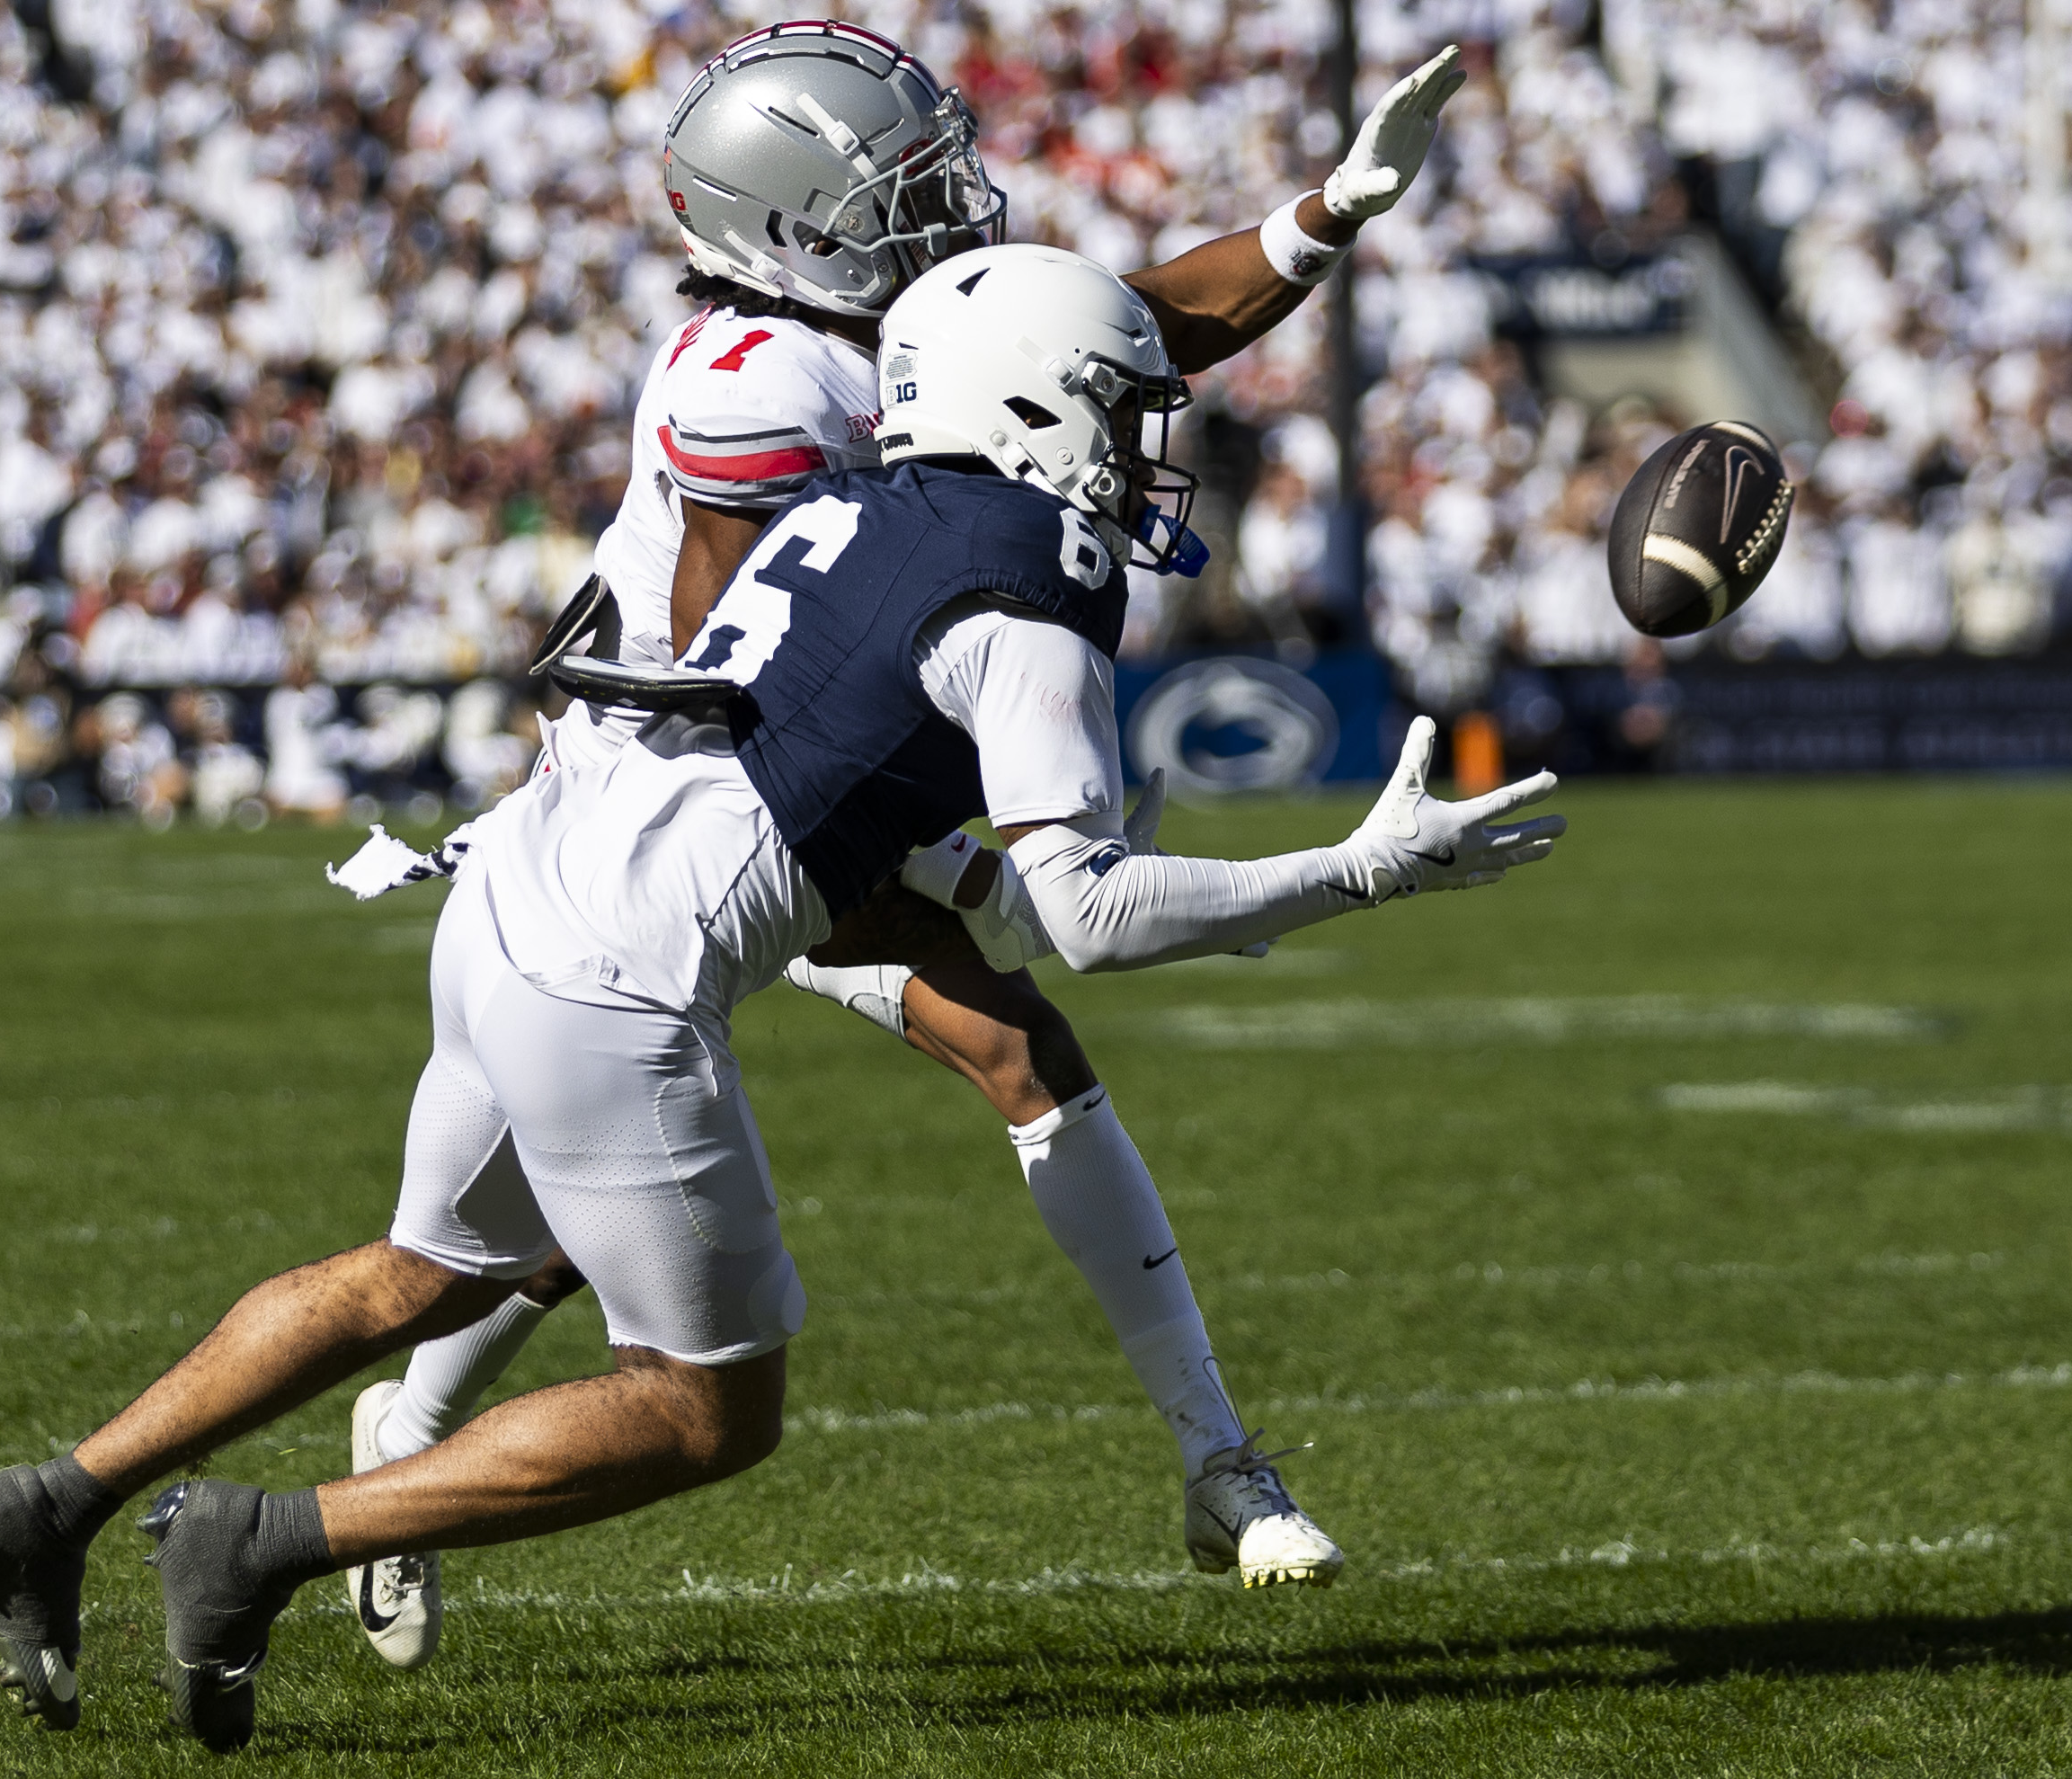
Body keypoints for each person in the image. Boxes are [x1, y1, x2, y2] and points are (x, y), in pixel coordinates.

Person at [0, 245, 1564, 1753]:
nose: (1143, 445)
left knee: (416, 1274)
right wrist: (1359, 871)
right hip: (615, 972)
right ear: (1035, 401)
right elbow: (1095, 915)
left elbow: (838, 788)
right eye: (1123, 404)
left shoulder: (854, 506)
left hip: (526, 875)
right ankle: (264, 1541)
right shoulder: (1031, 571)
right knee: (705, 1408)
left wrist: (997, 890)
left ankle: (43, 1506)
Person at [324, 23, 1472, 1667]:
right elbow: (743, 686)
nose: (950, 211)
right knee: (663, 1155)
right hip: (688, 799)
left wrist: (1330, 209)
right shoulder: (759, 381)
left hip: (784, 782)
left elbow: (1121, 335)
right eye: (900, 193)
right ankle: (403, 1448)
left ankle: (1219, 1464)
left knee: (674, 1161)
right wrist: (953, 866)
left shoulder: (893, 323)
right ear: (788, 226)